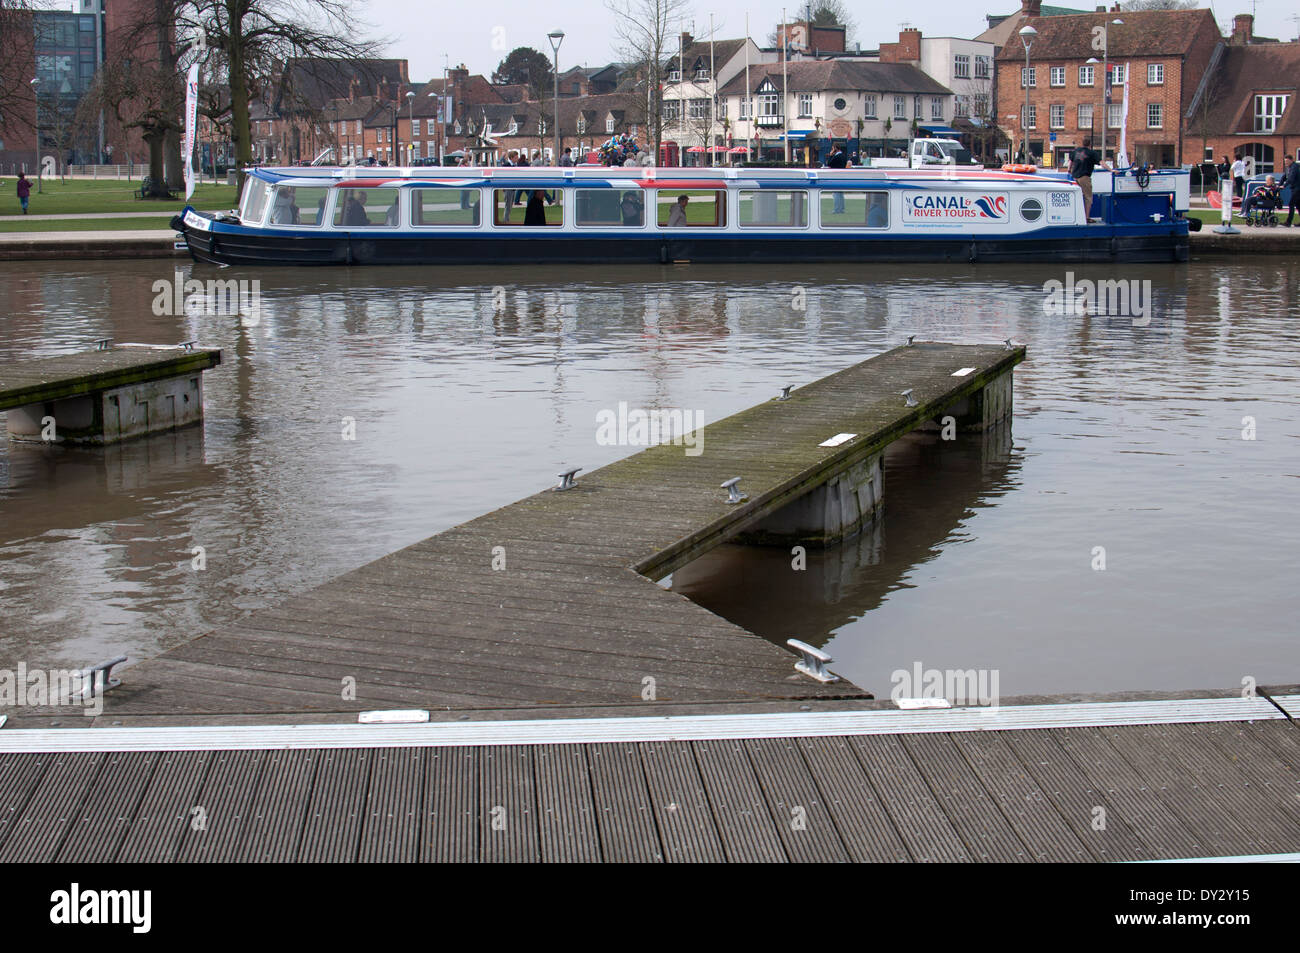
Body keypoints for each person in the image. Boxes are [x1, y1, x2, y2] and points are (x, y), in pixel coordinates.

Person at [1069, 138, 1102, 223]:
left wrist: (1069, 170)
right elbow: (1102, 163)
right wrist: (1111, 170)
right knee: (1088, 198)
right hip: (1084, 177)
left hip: (1074, 177)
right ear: (1090, 145)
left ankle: (1075, 216)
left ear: (1082, 143)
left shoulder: (1076, 151)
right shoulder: (1092, 153)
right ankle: (1086, 218)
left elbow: (1070, 162)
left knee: (1076, 196)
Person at [826, 144, 847, 214]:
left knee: (836, 194)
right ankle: (841, 209)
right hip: (842, 176)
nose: (832, 150)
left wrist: (831, 155)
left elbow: (829, 164)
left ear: (835, 148)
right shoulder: (843, 156)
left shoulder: (837, 156)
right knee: (840, 194)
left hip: (836, 177)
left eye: (832, 148)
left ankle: (837, 209)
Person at [1283, 155, 1299, 227]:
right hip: (1295, 188)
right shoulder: (1290, 167)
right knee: (1298, 205)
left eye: (1286, 161)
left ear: (1291, 160)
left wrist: (1284, 185)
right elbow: (1284, 177)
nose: (1285, 163)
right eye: (1285, 161)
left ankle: (1288, 222)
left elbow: (1291, 178)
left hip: (1297, 188)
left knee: (1291, 204)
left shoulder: (1294, 167)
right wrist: (1280, 184)